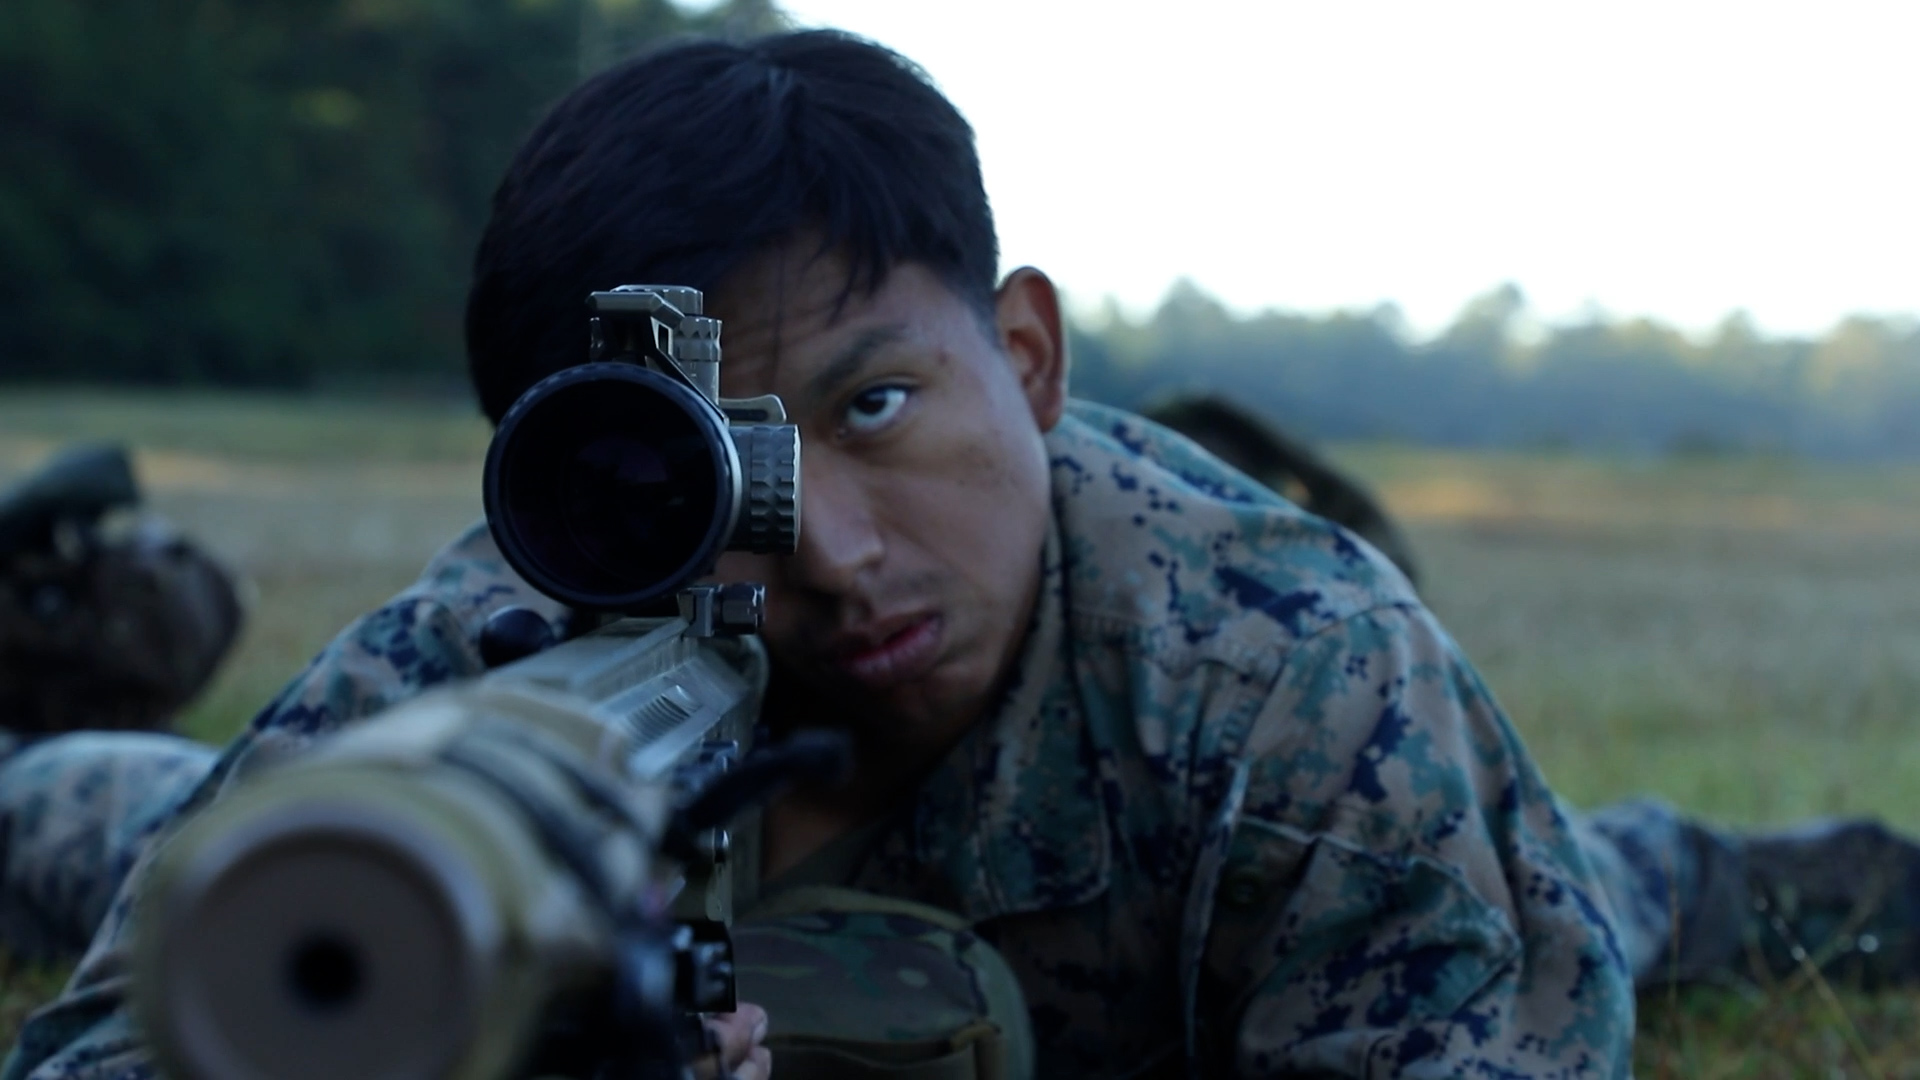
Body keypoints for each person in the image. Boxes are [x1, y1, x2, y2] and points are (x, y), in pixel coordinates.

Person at [9, 29, 1920, 1080]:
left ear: (1024, 355)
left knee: (1579, 886)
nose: (825, 553)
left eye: (874, 410)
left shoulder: (1292, 668)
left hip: (1248, 859)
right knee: (152, 832)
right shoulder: (520, 652)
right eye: (719, 468)